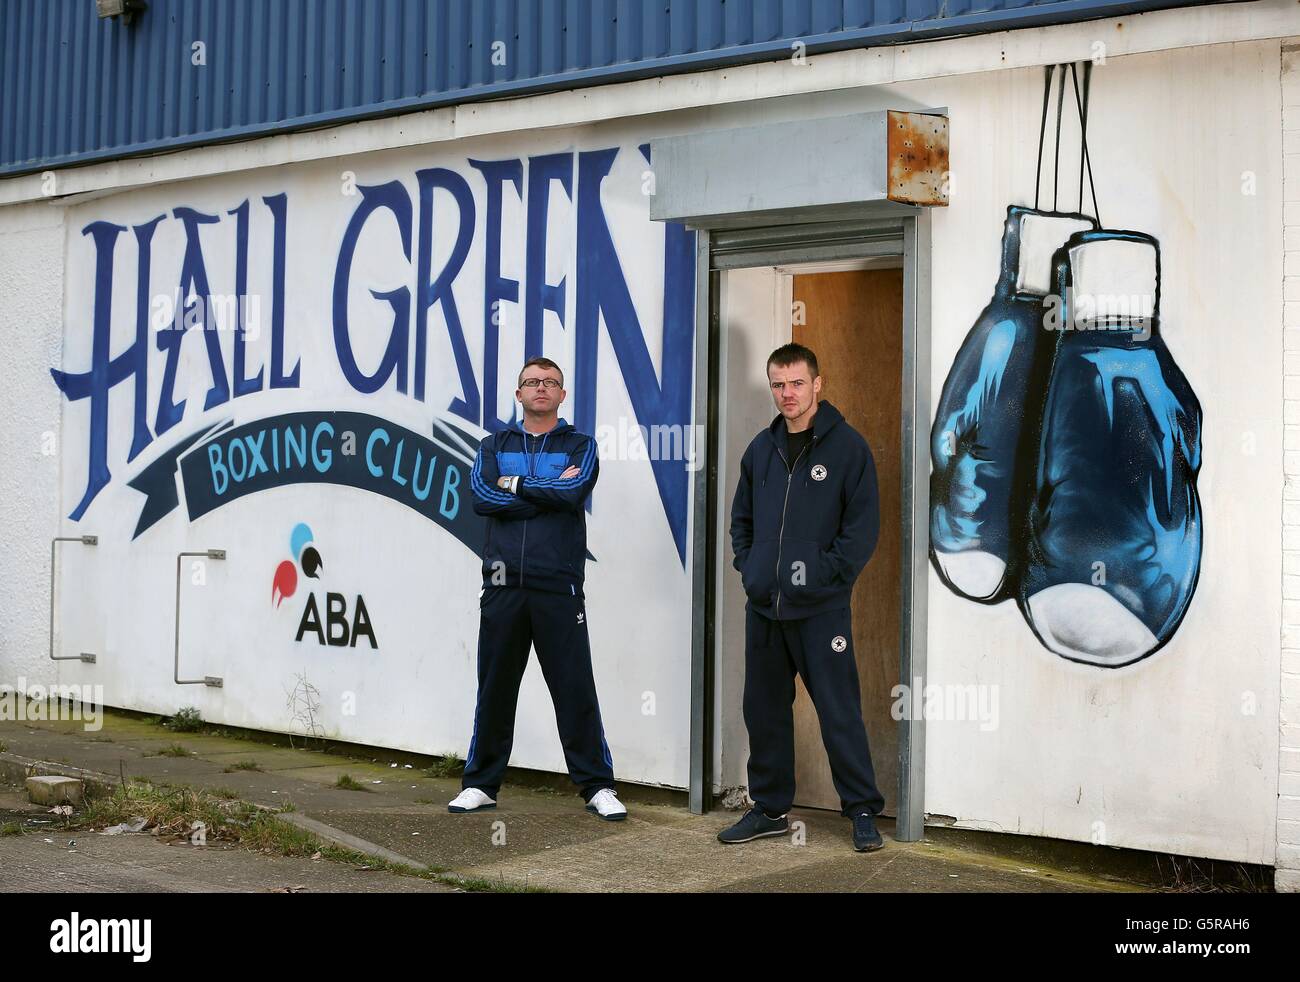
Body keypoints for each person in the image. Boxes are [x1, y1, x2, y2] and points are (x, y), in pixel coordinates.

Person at [719, 343, 886, 852]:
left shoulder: (847, 449)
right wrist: (751, 570)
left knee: (838, 710)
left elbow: (860, 535)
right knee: (764, 710)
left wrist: (820, 579)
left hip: (820, 611)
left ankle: (861, 810)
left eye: (796, 383)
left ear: (818, 384)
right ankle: (769, 809)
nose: (786, 394)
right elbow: (740, 523)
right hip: (765, 609)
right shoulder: (760, 450)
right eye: (777, 384)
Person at [447, 356, 626, 821]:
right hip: (503, 585)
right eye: (532, 382)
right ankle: (481, 784)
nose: (541, 388)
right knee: (495, 688)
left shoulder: (580, 445)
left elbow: (573, 494)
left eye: (550, 383)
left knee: (574, 689)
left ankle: (597, 787)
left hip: (558, 586)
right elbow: (483, 498)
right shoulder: (493, 444)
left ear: (563, 395)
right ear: (518, 393)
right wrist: (542, 490)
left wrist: (517, 486)